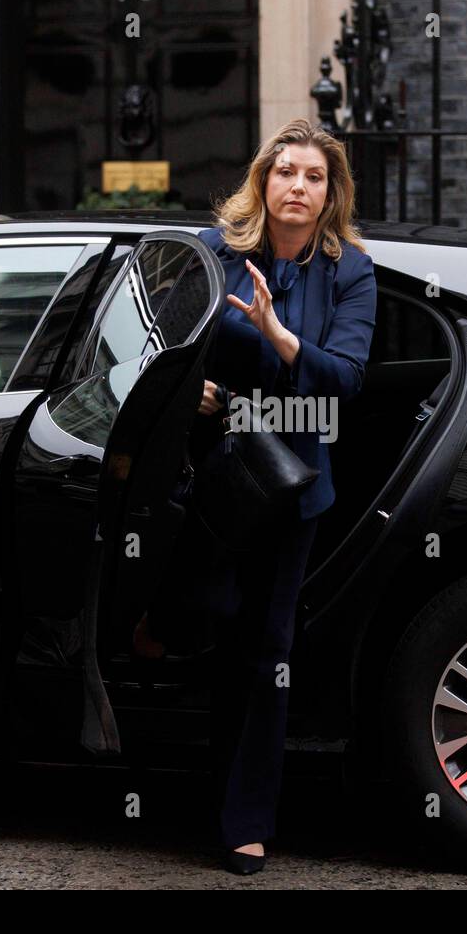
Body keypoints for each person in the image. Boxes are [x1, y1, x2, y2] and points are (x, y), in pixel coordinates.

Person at [158, 118, 377, 874]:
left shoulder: (350, 271)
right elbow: (159, 342)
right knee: (204, 623)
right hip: (207, 478)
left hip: (289, 484)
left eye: (314, 176)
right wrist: (196, 394)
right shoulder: (217, 253)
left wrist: (280, 336)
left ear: (329, 193)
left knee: (265, 651)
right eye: (286, 171)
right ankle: (175, 787)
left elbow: (345, 381)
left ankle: (244, 819)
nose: (298, 186)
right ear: (264, 179)